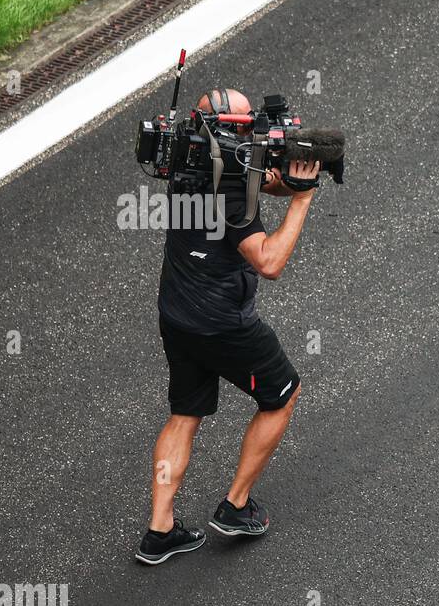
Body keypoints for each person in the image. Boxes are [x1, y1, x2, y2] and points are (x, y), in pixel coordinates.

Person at [136, 87, 321, 565]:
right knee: (282, 394)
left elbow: (253, 179)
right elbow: (269, 261)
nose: (253, 129)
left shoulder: (184, 159)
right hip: (224, 325)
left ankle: (161, 530)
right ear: (224, 132)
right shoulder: (231, 191)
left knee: (184, 413)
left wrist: (284, 177)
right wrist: (301, 199)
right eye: (244, 126)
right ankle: (236, 506)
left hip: (177, 314)